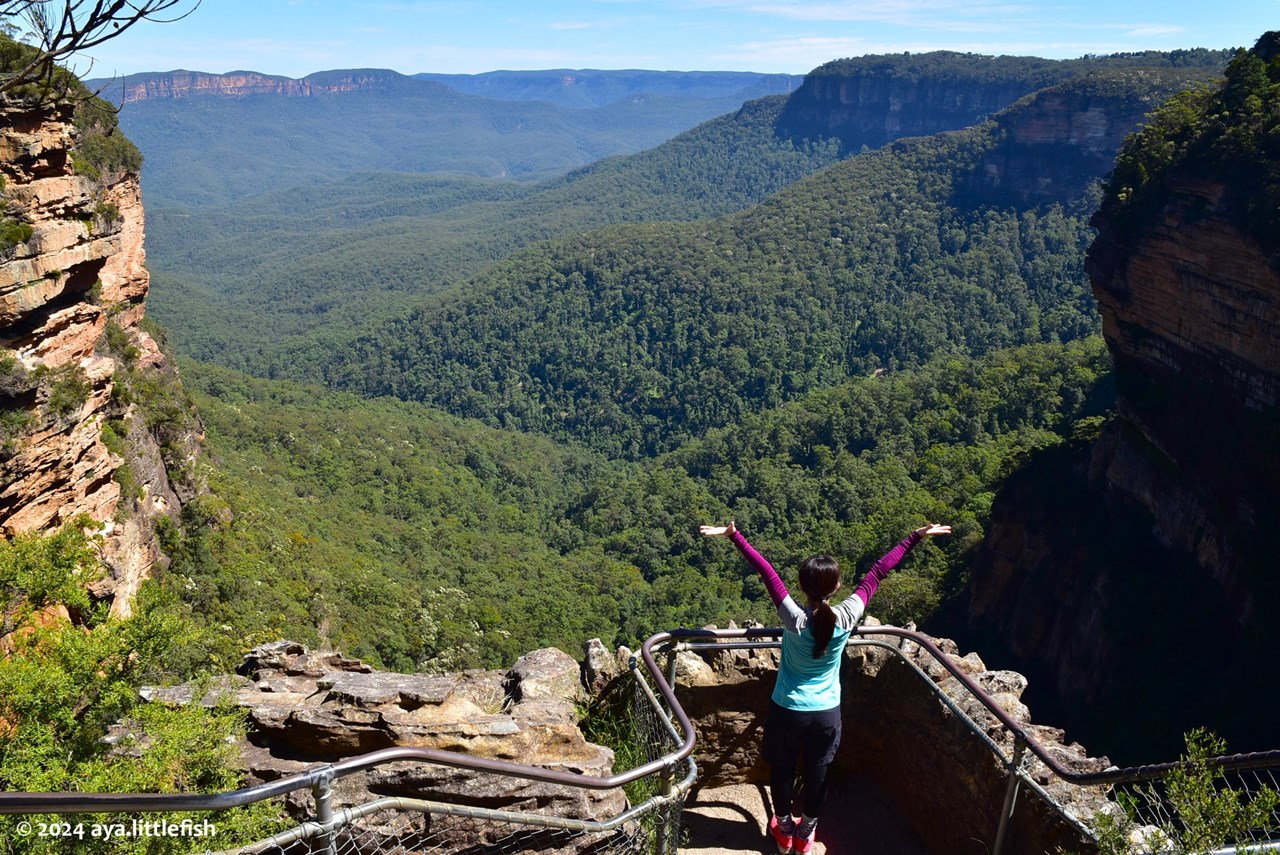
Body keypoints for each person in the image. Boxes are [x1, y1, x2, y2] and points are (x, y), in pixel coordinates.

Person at [700, 520, 950, 854]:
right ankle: (806, 836)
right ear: (836, 587)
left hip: (788, 708)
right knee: (818, 774)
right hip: (826, 712)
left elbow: (766, 572)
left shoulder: (794, 618)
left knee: (783, 770)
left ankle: (784, 832)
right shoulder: (847, 616)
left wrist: (735, 537)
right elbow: (877, 572)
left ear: (803, 587)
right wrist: (914, 538)